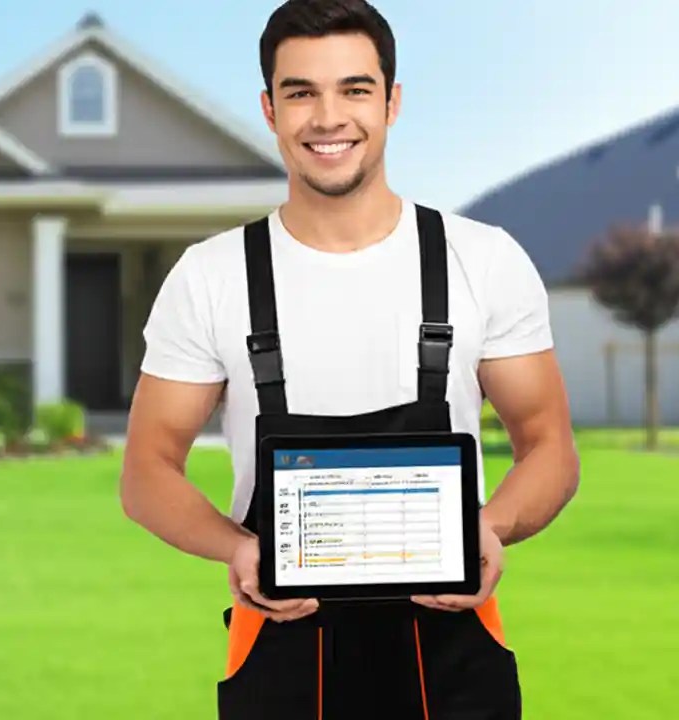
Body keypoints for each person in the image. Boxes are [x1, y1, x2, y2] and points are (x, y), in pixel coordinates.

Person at [118, 1, 581, 718]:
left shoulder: (483, 261)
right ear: (270, 110)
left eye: (355, 90)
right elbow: (146, 471)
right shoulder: (211, 277)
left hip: (455, 652)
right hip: (281, 651)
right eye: (301, 92)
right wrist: (236, 550)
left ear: (391, 102)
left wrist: (492, 527)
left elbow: (549, 446)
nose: (328, 117)